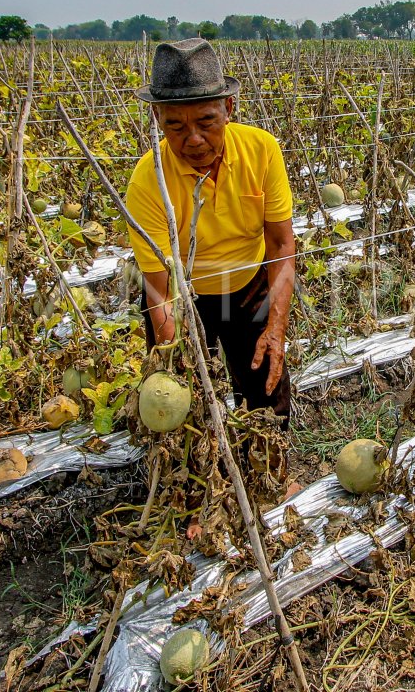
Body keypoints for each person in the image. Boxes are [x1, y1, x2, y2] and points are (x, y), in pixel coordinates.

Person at [124, 38, 295, 426]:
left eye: (206, 122)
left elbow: (281, 243)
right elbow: (159, 291)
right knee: (180, 407)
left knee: (266, 398)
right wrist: (175, 359)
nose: (194, 139)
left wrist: (276, 326)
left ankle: (267, 460)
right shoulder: (147, 182)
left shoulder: (261, 150)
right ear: (157, 119)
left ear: (228, 108)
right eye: (175, 126)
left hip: (248, 284)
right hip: (184, 295)